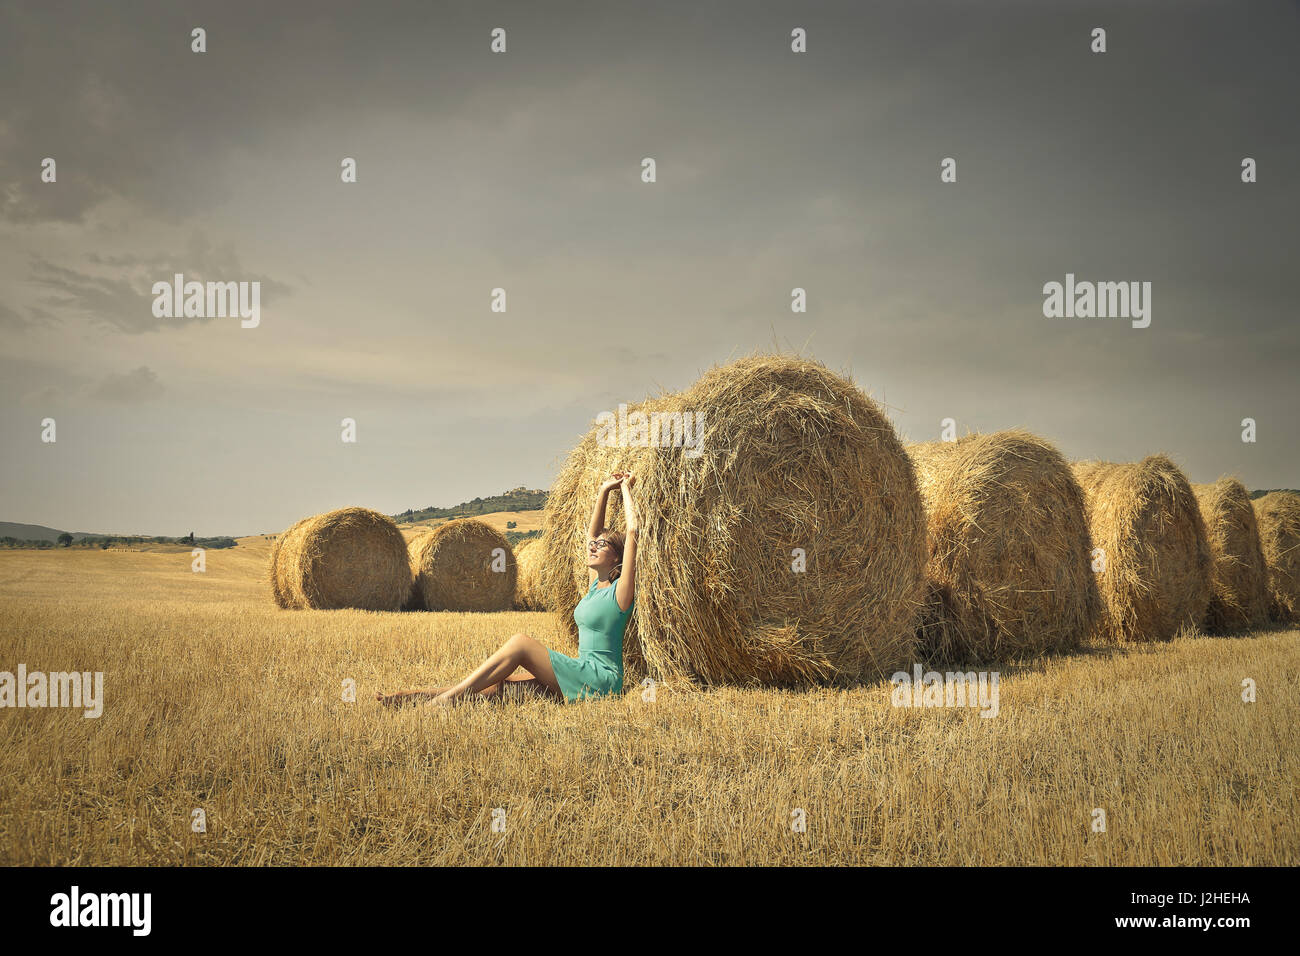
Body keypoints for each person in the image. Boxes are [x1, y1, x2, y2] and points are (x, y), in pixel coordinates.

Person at [376, 472, 638, 707]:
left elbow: (633, 530)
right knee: (502, 686)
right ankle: (412, 697)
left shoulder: (619, 593)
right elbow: (590, 535)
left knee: (521, 644)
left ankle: (444, 701)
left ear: (617, 558)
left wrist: (625, 488)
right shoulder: (594, 586)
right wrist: (604, 490)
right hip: (582, 669)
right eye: (594, 545)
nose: (593, 547)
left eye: (602, 546)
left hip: (601, 680)